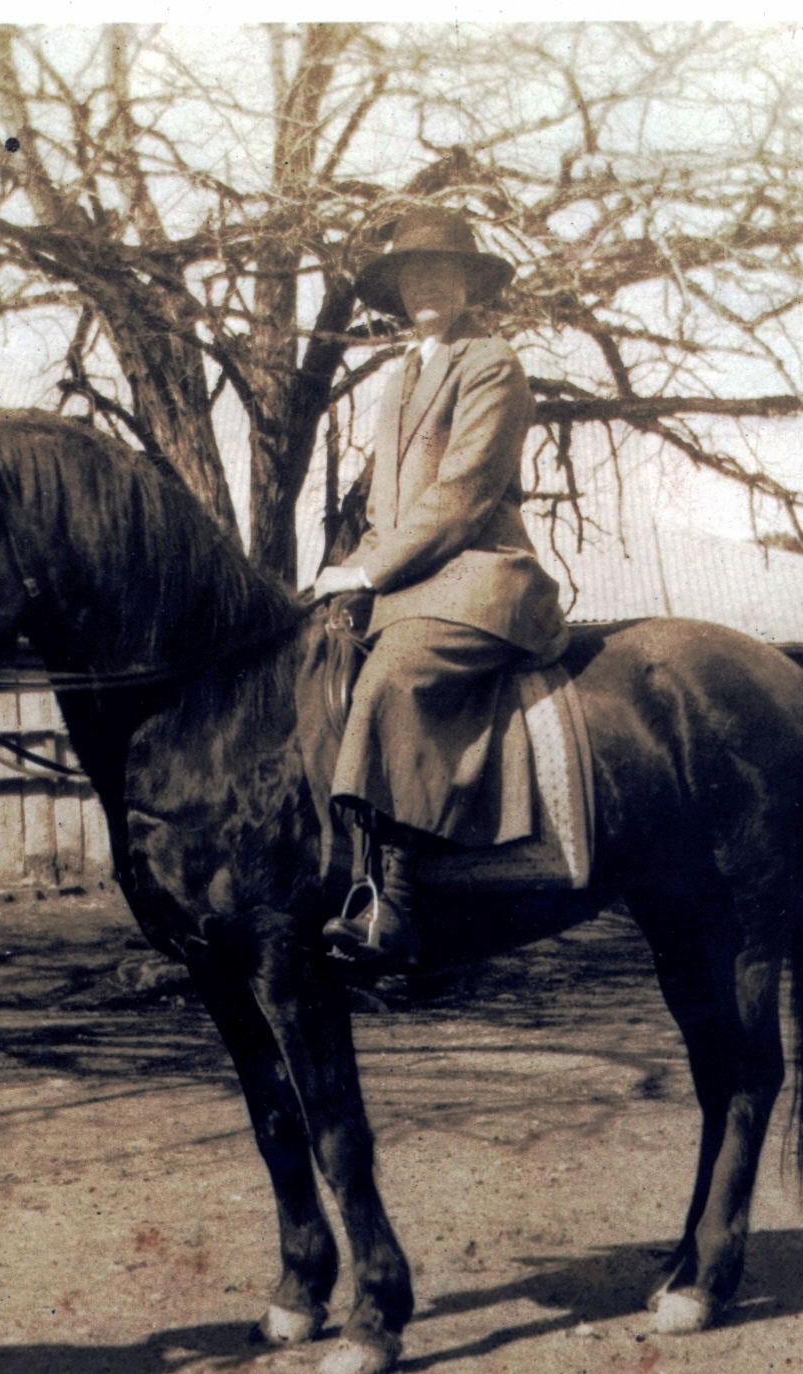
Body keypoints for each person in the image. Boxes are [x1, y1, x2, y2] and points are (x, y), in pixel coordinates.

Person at [315, 207, 567, 965]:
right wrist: (345, 569)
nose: (427, 283)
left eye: (442, 270)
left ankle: (397, 907)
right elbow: (384, 505)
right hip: (410, 576)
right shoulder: (400, 379)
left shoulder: (490, 361)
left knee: (396, 675)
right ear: (395, 288)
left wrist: (370, 570)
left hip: (479, 574)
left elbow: (461, 490)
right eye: (411, 272)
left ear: (467, 283)